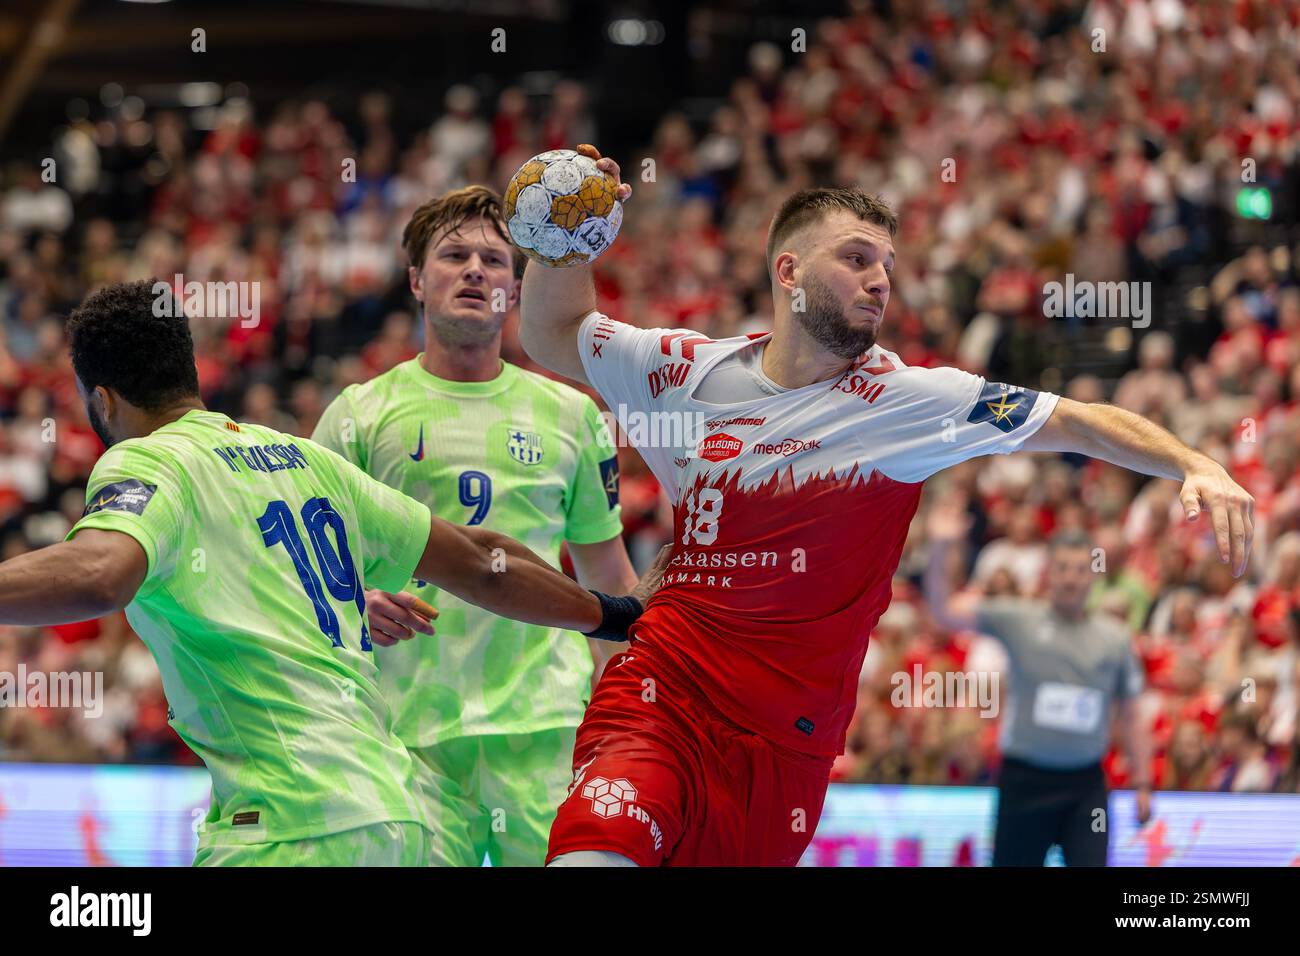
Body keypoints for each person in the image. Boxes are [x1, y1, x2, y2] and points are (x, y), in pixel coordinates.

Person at [522, 146, 1254, 867]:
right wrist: (566, 241)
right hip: (662, 692)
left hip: (789, 746)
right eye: (857, 259)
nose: (879, 281)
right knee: (597, 853)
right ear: (789, 272)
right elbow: (554, 332)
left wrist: (1193, 461)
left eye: (887, 268)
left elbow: (1074, 418)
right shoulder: (684, 371)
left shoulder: (911, 401)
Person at [0, 279, 646, 866]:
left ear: (102, 401)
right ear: (190, 372)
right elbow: (481, 563)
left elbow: (100, 574)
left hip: (289, 826)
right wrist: (616, 613)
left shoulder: (146, 461)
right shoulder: (304, 459)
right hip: (400, 817)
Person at [313, 185, 637, 866]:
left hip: (544, 730)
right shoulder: (359, 414)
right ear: (415, 281)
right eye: (453, 255)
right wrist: (353, 602)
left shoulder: (572, 415)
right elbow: (302, 573)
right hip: (405, 736)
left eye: (493, 259)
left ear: (515, 290)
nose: (474, 271)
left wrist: (635, 715)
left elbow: (608, 578)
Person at [923, 503, 1152, 866]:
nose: (1071, 578)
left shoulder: (1115, 638)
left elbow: (1131, 712)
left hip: (1085, 789)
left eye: (1080, 569)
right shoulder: (1019, 620)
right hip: (1024, 784)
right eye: (1062, 569)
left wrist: (1142, 782)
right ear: (1048, 572)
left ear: (1093, 574)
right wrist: (940, 547)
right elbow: (944, 611)